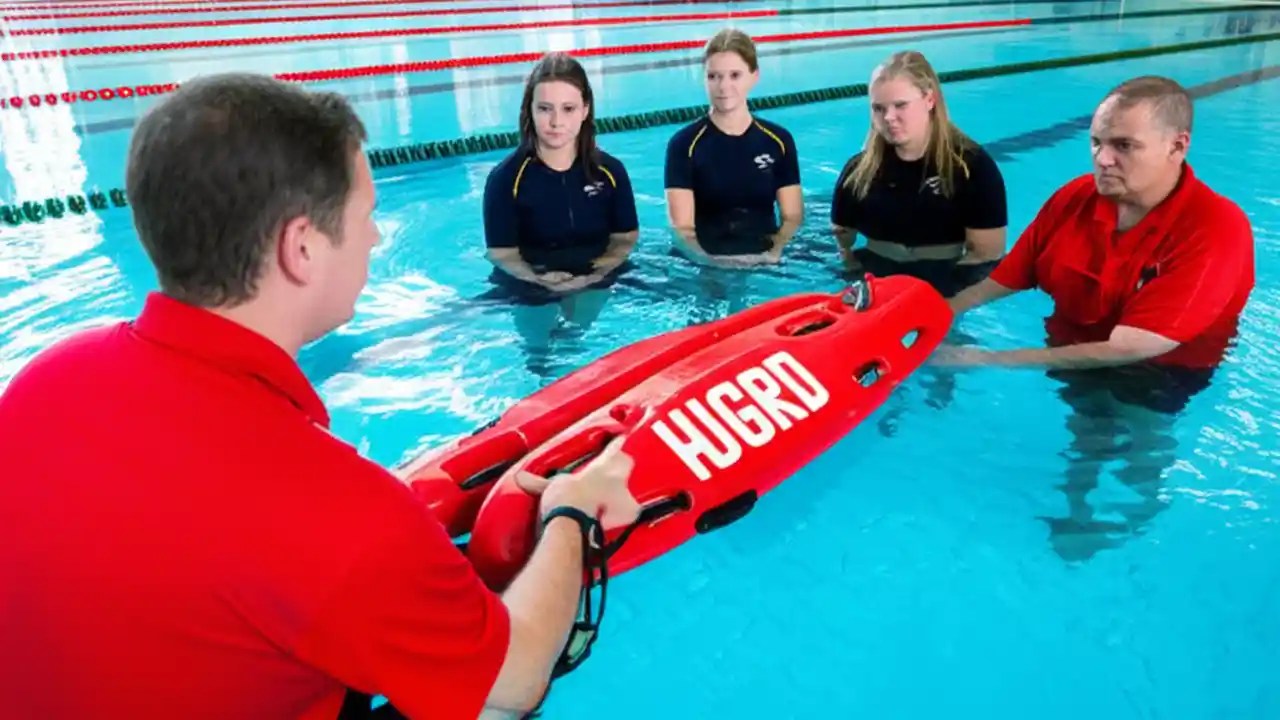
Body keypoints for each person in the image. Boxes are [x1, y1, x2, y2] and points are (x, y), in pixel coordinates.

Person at [0, 73, 641, 719]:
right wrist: (571, 510)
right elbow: (518, 672)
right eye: (365, 216)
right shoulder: (341, 510)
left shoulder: (41, 380)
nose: (375, 238)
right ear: (301, 248)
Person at [937, 75, 1255, 560]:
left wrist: (982, 358)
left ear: (1178, 146)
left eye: (1123, 145)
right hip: (1070, 348)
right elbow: (1010, 275)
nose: (1102, 159)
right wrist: (940, 312)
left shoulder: (1215, 228)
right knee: (1086, 434)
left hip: (1164, 370)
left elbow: (1132, 347)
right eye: (1097, 142)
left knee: (1141, 447)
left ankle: (1136, 519)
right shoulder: (1076, 199)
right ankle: (1077, 509)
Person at [483, 52, 639, 351]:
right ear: (530, 110)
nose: (556, 122)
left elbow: (625, 237)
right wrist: (539, 280)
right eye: (545, 109)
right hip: (530, 284)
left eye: (568, 109)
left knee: (577, 345)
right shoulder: (505, 180)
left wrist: (597, 272)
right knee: (539, 356)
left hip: (599, 274)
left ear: (585, 110)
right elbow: (502, 254)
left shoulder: (611, 172)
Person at [830, 50, 1007, 297]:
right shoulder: (858, 172)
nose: (889, 117)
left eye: (900, 105)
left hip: (943, 281)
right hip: (872, 282)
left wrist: (941, 302)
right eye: (878, 108)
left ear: (929, 99)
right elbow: (842, 246)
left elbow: (986, 257)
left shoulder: (971, 168)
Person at [664, 28, 803, 269]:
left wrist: (776, 251)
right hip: (707, 264)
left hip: (767, 261)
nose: (723, 87)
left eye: (734, 75)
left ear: (754, 76)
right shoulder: (684, 145)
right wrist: (711, 264)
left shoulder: (778, 141)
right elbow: (682, 229)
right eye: (713, 76)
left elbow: (792, 217)